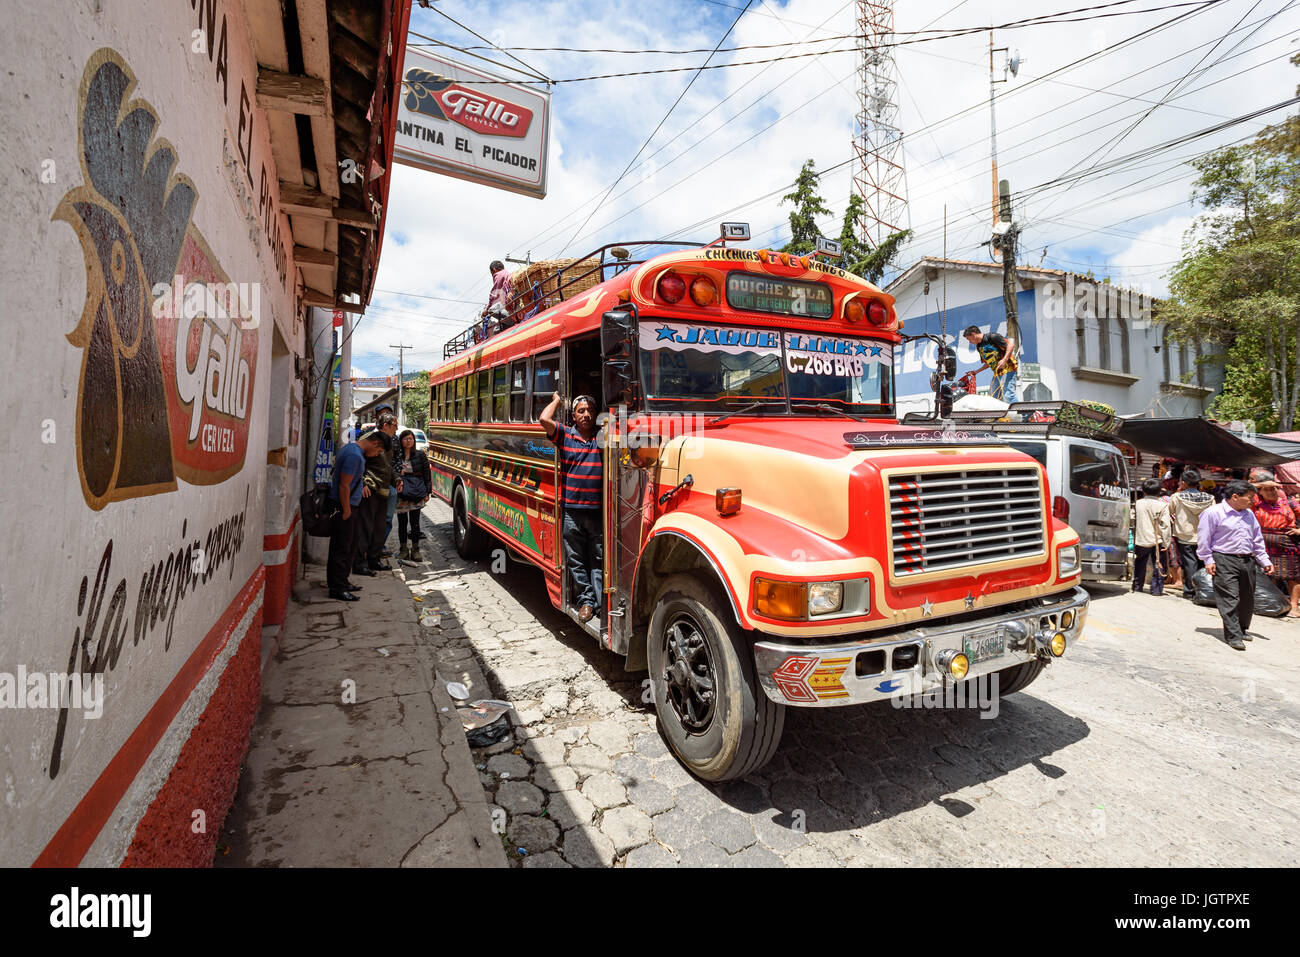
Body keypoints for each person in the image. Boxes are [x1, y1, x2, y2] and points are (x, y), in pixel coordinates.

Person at [540, 391, 602, 623]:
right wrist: (557, 401)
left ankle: (599, 603)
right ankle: (586, 601)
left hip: (598, 512)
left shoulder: (603, 436)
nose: (586, 415)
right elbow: (544, 420)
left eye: (590, 410)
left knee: (598, 558)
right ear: (573, 416)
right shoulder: (565, 435)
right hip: (572, 512)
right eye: (581, 411)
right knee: (576, 560)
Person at [1198, 479, 1273, 651]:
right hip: (1224, 559)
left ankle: (1242, 628)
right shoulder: (1213, 513)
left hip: (1247, 560)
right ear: (1235, 496)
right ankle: (1233, 635)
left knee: (1247, 597)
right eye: (1250, 497)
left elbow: (1257, 539)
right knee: (1229, 598)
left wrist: (1264, 560)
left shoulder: (1249, 514)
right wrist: (1208, 560)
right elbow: (1204, 539)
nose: (1253, 501)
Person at [327, 431, 384, 601]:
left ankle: (342, 582)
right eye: (379, 451)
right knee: (342, 548)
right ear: (374, 444)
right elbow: (344, 485)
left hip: (350, 505)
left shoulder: (352, 449)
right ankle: (337, 588)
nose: (377, 455)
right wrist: (346, 510)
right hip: (345, 506)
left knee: (349, 545)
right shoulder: (354, 456)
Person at [1249, 469, 1300, 617]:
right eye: (1267, 489)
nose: (1272, 492)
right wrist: (1262, 483)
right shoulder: (1256, 503)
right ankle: (1274, 603)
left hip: (1286, 543)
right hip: (1262, 543)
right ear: (1260, 491)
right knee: (1267, 575)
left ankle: (1294, 607)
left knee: (1292, 576)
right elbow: (1246, 488)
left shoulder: (1289, 503)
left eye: (1274, 488)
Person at [1169, 467, 1215, 599]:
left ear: (1183, 482)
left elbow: (1170, 511)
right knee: (1203, 563)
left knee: (1190, 564)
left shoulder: (1177, 497)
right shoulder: (1210, 498)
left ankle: (1189, 591)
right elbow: (1213, 516)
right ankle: (1203, 590)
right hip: (1204, 536)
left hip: (1185, 535)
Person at [394, 428, 432, 561]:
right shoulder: (397, 455)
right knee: (402, 522)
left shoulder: (420, 455)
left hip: (416, 491)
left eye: (411, 438)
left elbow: (427, 474)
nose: (408, 441)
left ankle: (416, 550)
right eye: (405, 438)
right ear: (401, 441)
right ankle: (403, 549)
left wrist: (428, 492)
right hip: (402, 491)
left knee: (415, 522)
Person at [1133, 478, 1171, 595]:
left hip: (1140, 539)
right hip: (1157, 540)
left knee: (1140, 563)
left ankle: (1137, 586)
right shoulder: (1162, 506)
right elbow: (1165, 526)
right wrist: (1166, 543)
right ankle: (1156, 589)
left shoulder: (1137, 503)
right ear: (1159, 491)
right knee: (1158, 564)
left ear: (1144, 490)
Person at [962, 324, 1018, 404]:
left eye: (968, 339)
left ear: (973, 335)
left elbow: (1011, 345)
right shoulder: (979, 346)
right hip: (998, 372)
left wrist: (1004, 360)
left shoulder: (992, 337)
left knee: (1008, 395)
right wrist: (976, 372)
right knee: (993, 396)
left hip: (1008, 369)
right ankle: (997, 416)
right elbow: (988, 363)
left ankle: (1027, 415)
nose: (969, 342)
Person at [479, 260, 515, 341]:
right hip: (512, 304)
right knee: (497, 330)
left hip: (508, 307)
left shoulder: (498, 275)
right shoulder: (508, 274)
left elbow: (495, 294)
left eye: (491, 273)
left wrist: (487, 310)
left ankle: (512, 321)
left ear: (494, 270)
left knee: (493, 309)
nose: (492, 275)